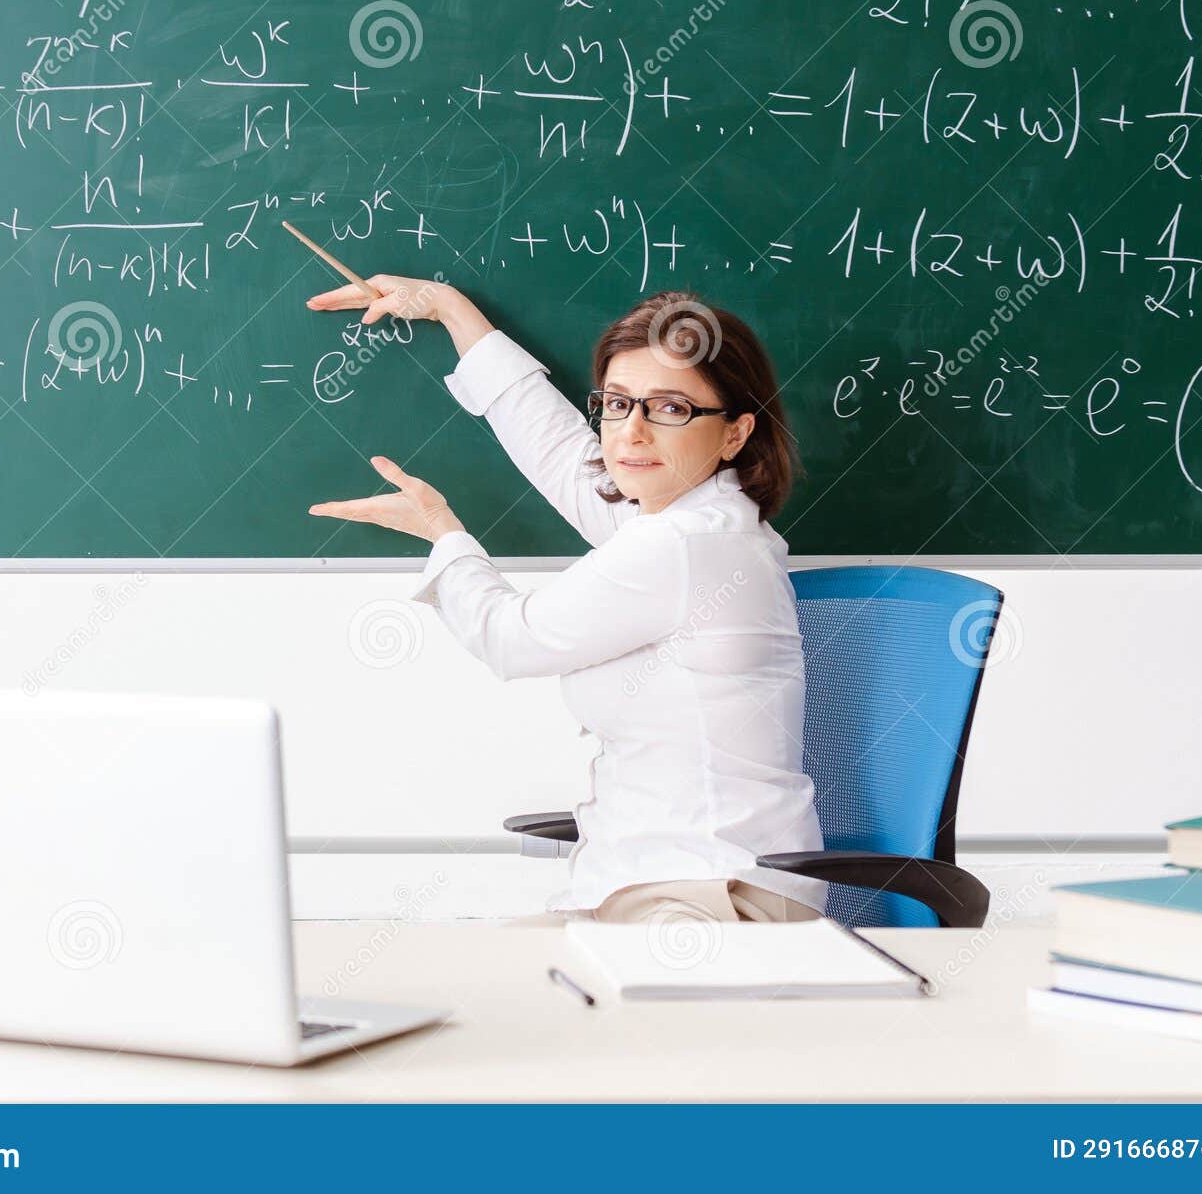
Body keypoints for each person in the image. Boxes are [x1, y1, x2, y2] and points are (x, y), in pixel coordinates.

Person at [307, 280, 824, 927]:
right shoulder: (685, 521)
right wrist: (448, 308)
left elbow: (509, 638)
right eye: (615, 403)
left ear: (734, 433)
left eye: (668, 408)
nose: (631, 430)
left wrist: (443, 530)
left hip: (713, 900)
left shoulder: (688, 547)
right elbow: (557, 451)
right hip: (653, 886)